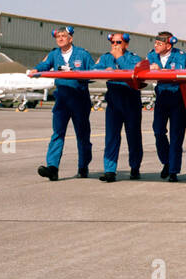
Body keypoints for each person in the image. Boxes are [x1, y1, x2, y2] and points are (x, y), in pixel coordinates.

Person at [31, 25, 95, 181]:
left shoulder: (82, 54)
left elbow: (94, 73)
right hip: (61, 101)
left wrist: (77, 75)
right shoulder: (54, 54)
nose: (60, 39)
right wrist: (35, 70)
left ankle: (83, 166)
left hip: (79, 100)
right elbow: (44, 65)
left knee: (82, 136)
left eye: (63, 36)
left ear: (70, 38)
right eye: (58, 36)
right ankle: (53, 168)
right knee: (57, 134)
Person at [96, 32, 143, 181]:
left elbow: (134, 72)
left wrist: (119, 58)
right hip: (114, 102)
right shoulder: (105, 57)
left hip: (131, 102)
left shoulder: (134, 58)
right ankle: (110, 170)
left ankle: (135, 167)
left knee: (134, 137)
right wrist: (103, 70)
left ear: (126, 44)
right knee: (111, 137)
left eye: (118, 42)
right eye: (113, 43)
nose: (115, 45)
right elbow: (93, 70)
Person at [148, 30, 186, 181]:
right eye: (156, 43)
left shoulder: (180, 55)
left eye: (159, 43)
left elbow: (178, 72)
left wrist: (160, 71)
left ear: (169, 45)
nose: (156, 46)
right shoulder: (152, 55)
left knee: (176, 136)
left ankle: (173, 171)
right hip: (161, 98)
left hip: (177, 98)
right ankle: (166, 161)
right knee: (158, 131)